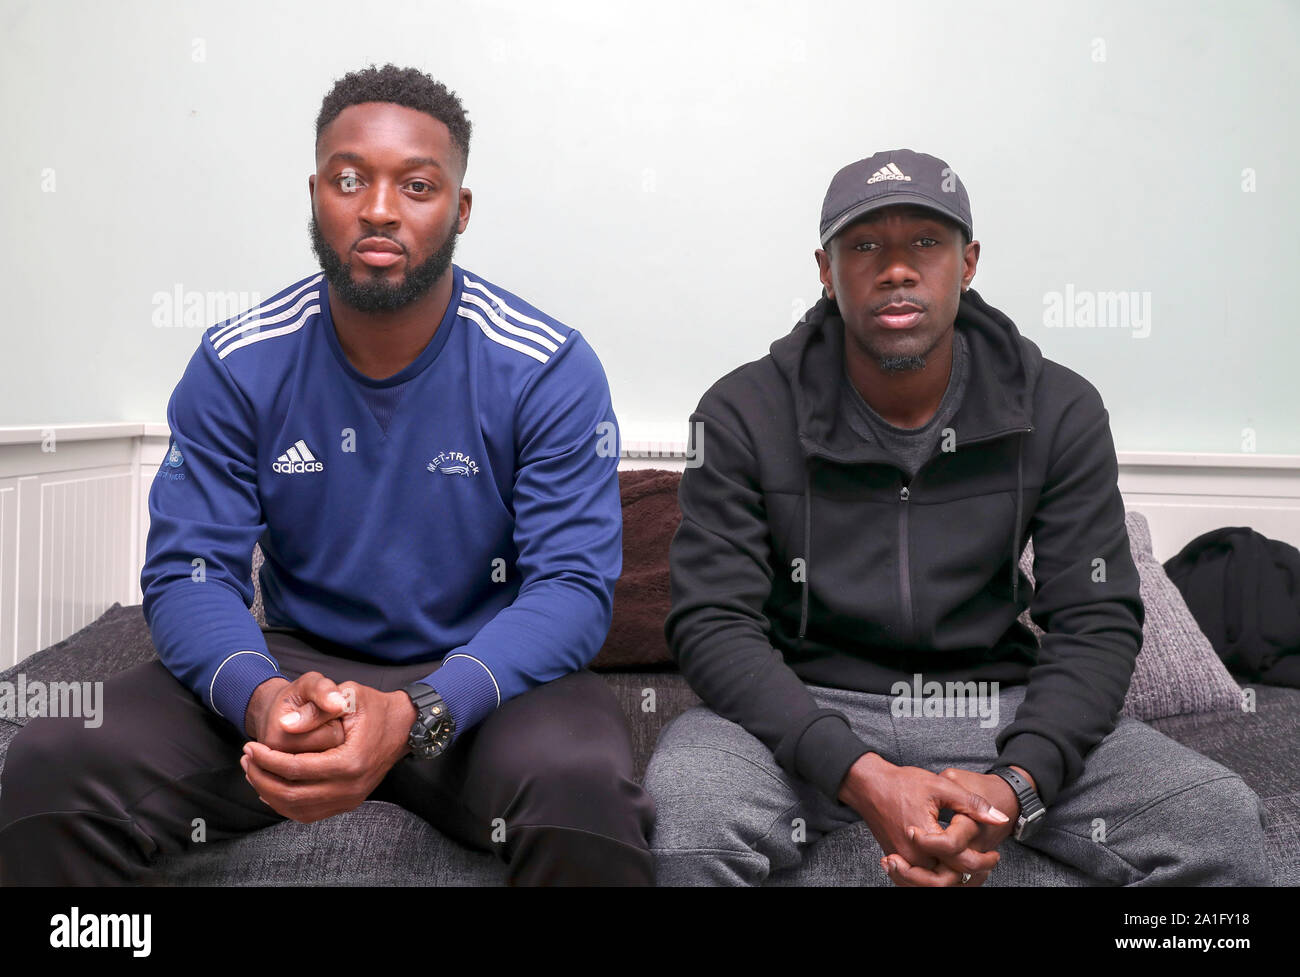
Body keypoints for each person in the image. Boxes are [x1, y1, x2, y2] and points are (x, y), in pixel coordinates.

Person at [0, 63, 654, 886]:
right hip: (297, 672)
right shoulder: (239, 363)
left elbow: (571, 588)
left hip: (479, 684)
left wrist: (421, 711)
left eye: (416, 184)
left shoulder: (546, 365)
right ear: (315, 194)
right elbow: (189, 572)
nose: (378, 208)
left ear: (459, 208)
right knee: (52, 760)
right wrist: (261, 697)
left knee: (581, 792)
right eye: (349, 179)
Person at [644, 149, 1270, 886]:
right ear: (825, 268)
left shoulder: (1058, 408)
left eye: (926, 244)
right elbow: (713, 623)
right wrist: (857, 772)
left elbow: (1097, 621)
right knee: (689, 814)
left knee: (1219, 819)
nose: (897, 269)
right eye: (866, 246)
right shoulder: (742, 411)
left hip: (994, 708)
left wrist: (1015, 783)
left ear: (967, 262)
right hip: (801, 716)